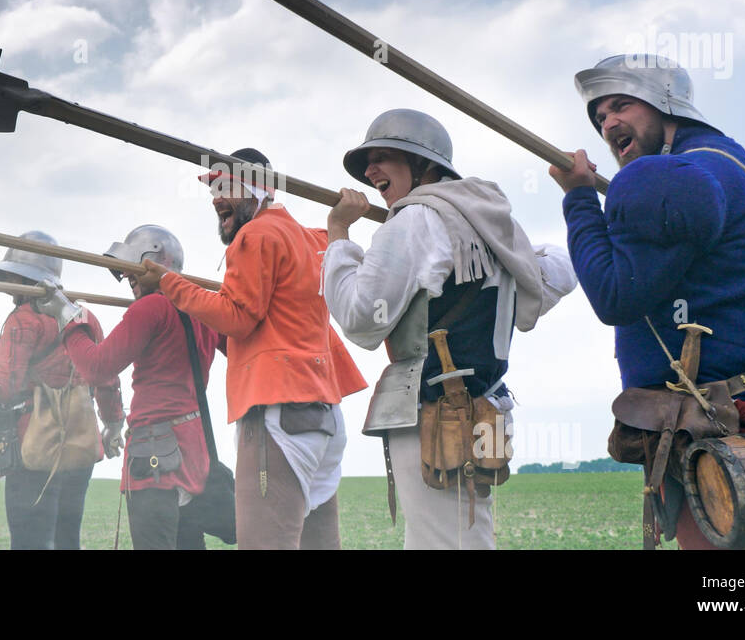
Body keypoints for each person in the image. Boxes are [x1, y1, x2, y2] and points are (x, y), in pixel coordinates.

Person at [548, 53, 745, 549]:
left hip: (713, 428)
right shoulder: (742, 169)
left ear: (666, 105)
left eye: (621, 105)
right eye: (599, 115)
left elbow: (614, 297)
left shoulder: (661, 178)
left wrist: (579, 198)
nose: (608, 123)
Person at [322, 109, 577, 549]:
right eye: (369, 163)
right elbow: (558, 270)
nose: (370, 171)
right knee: (468, 535)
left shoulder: (413, 221)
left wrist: (339, 235)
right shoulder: (494, 225)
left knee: (441, 542)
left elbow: (359, 316)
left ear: (424, 165)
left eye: (384, 157)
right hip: (491, 410)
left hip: (435, 413)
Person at [136, 148, 367, 550]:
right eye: (213, 190)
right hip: (324, 419)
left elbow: (237, 315)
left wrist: (170, 283)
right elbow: (265, 324)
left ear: (256, 191)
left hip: (278, 414)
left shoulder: (255, 235)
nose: (216, 198)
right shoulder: (314, 240)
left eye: (226, 187)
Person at [0, 233, 124, 550]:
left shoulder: (23, 320)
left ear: (23, 276)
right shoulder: (86, 317)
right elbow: (106, 378)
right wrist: (113, 424)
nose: (6, 282)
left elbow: (4, 383)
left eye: (10, 275)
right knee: (66, 541)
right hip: (80, 448)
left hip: (34, 446)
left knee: (31, 543)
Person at [34, 224, 219, 550]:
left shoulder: (150, 307)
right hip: (192, 452)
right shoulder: (202, 307)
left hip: (156, 454)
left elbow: (97, 367)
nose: (128, 278)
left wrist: (68, 318)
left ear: (154, 261)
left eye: (133, 269)